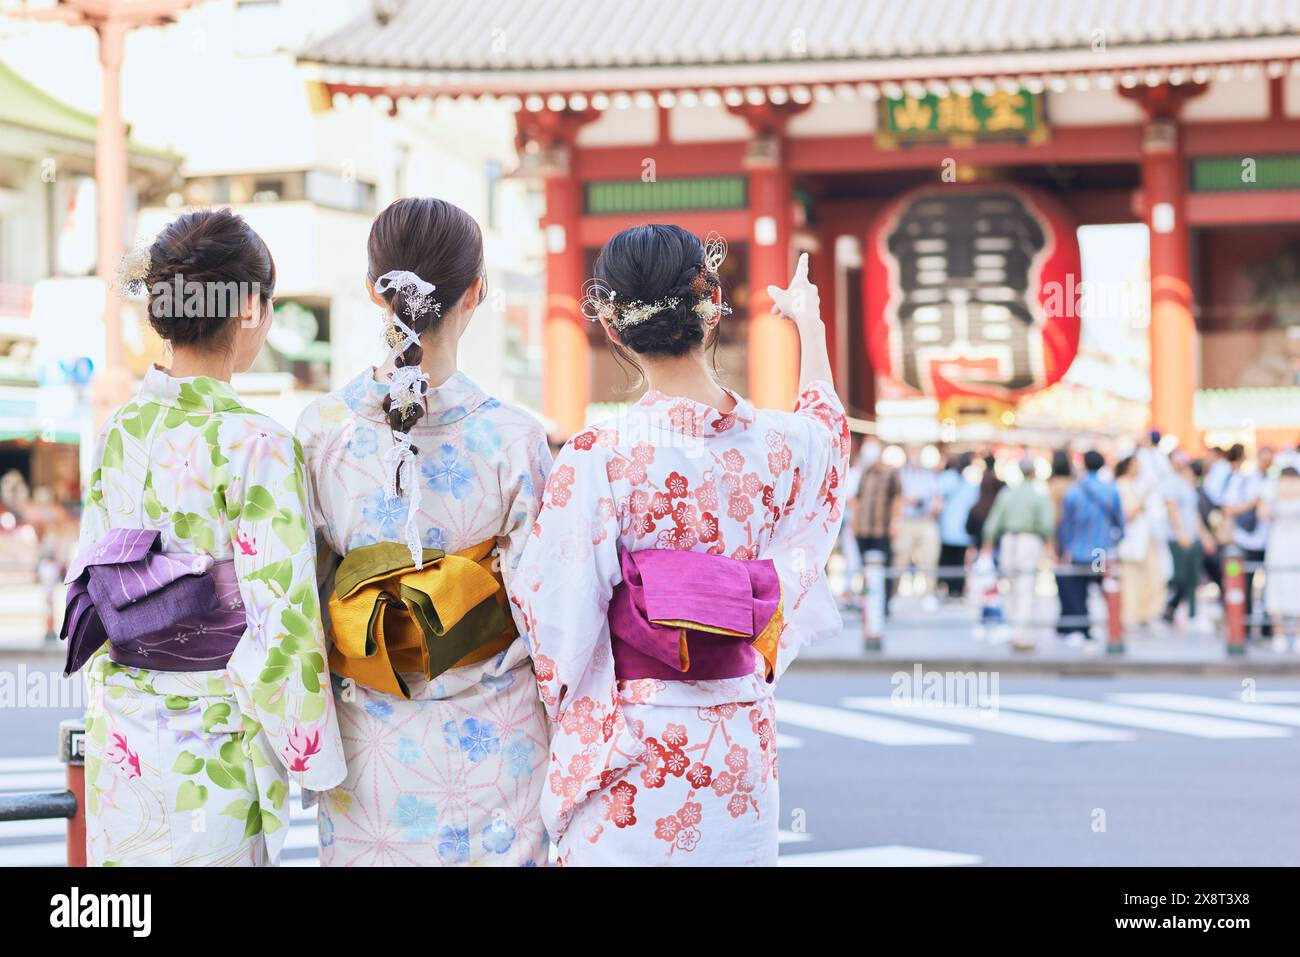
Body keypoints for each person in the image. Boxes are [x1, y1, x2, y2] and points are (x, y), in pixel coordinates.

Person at [512, 229, 848, 865]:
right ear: (713, 304)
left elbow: (555, 623)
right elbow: (829, 442)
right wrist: (810, 326)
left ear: (612, 326)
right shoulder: (783, 447)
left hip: (639, 743)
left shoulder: (598, 456)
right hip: (740, 742)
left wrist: (573, 725)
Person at [64, 210, 346, 865]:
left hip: (125, 730)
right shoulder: (260, 443)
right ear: (249, 308)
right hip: (216, 737)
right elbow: (284, 621)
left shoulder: (120, 431)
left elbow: (93, 589)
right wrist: (313, 754)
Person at [295, 198, 551, 866]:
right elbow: (551, 621)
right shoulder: (513, 439)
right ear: (478, 292)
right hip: (498, 754)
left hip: (367, 760)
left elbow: (298, 607)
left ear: (372, 293)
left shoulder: (323, 430)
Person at [981, 458, 1054, 651]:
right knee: (1026, 588)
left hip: (1008, 541)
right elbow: (1046, 524)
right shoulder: (1037, 495)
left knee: (1011, 587)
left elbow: (994, 520)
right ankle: (1021, 634)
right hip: (1028, 542)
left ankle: (1015, 629)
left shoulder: (1008, 493)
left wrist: (988, 543)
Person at [1056, 450, 1124, 646]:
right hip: (1100, 551)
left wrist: (1064, 548)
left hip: (1077, 550)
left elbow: (1066, 524)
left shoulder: (1074, 491)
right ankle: (1110, 628)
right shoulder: (1110, 490)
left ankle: (1081, 629)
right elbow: (1120, 520)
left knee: (1079, 591)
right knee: (1105, 589)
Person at [1220, 444, 1273, 640]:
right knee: (1243, 585)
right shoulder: (1242, 480)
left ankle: (1267, 628)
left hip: (1267, 540)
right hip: (1244, 540)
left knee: (1269, 584)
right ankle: (1242, 628)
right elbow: (1227, 508)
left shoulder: (1272, 481)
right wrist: (1251, 504)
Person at [1164, 452, 1213, 629]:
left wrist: (1204, 534)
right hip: (1178, 538)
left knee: (1192, 577)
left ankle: (1187, 612)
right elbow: (1172, 510)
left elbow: (1193, 514)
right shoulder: (1170, 483)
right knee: (1179, 577)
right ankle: (1168, 607)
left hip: (1191, 537)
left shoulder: (1186, 485)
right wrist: (1181, 533)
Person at [1115, 455, 1165, 629]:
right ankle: (1132, 615)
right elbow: (1127, 514)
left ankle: (1147, 613)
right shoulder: (1121, 486)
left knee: (1151, 577)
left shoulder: (1137, 485)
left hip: (1145, 539)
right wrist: (1143, 500)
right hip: (1131, 540)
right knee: (1131, 580)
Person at [854, 438, 901, 614]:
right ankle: (867, 603)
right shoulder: (864, 474)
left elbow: (897, 499)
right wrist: (855, 525)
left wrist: (895, 523)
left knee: (884, 568)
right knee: (865, 568)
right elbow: (858, 500)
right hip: (864, 530)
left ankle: (884, 604)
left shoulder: (890, 473)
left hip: (882, 529)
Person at [895, 447, 942, 606]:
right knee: (900, 556)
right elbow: (896, 497)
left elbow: (937, 497)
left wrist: (935, 506)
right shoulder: (901, 475)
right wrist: (908, 500)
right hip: (906, 520)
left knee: (930, 556)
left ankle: (929, 593)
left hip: (925, 520)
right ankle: (894, 593)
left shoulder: (930, 476)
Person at [1262, 467, 1300, 652]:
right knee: (1277, 584)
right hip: (1278, 541)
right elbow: (1263, 513)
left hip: (1294, 541)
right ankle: (1280, 634)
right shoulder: (1272, 489)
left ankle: (1293, 634)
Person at [936, 451, 977, 599]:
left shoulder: (952, 479)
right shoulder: (962, 481)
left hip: (950, 529)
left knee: (948, 560)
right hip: (959, 529)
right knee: (956, 560)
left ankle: (949, 587)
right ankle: (954, 589)